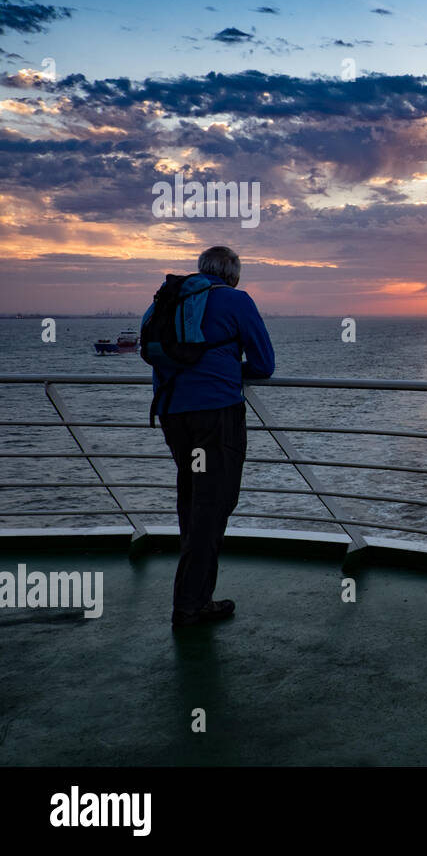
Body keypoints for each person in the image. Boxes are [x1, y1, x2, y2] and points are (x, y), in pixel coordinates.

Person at [144, 246, 275, 629]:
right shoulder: (236, 300)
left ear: (201, 270)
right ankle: (191, 605)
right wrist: (229, 369)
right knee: (213, 504)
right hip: (214, 417)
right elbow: (265, 365)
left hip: (172, 414)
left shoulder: (167, 299)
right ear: (232, 275)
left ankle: (193, 595)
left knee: (192, 496)